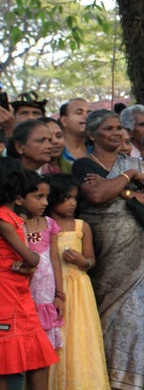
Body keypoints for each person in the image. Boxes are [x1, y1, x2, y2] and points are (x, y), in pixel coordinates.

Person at [71, 109, 144, 389]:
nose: (117, 133)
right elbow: (97, 196)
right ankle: (109, 380)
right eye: (109, 129)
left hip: (136, 248)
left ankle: (136, 382)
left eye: (118, 128)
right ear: (92, 135)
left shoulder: (133, 161)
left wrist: (123, 190)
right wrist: (132, 178)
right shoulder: (84, 165)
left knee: (137, 315)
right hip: (104, 248)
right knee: (109, 314)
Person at [44, 175, 111, 389]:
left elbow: (91, 260)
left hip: (80, 289)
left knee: (81, 336)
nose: (72, 203)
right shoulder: (45, 226)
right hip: (53, 287)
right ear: (52, 199)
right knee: (58, 337)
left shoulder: (82, 226)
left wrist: (83, 261)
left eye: (74, 198)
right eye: (66, 198)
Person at [0, 159, 57, 390]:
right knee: (6, 363)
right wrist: (29, 262)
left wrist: (27, 265)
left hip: (18, 291)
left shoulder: (10, 217)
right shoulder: (5, 220)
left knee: (36, 358)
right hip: (7, 295)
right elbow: (32, 257)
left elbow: (28, 263)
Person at [17, 175, 64, 351]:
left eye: (46, 197)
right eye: (39, 197)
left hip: (47, 290)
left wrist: (59, 295)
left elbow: (55, 259)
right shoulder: (17, 225)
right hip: (26, 289)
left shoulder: (49, 223)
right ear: (20, 198)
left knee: (44, 343)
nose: (45, 203)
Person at [59, 99, 90, 165]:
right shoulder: (55, 151)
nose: (86, 116)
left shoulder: (96, 149)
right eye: (79, 112)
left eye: (89, 113)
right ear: (64, 121)